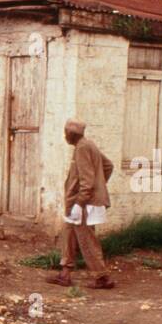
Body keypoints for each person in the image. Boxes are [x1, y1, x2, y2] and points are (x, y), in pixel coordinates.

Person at [46, 118, 114, 289]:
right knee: (69, 234)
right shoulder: (87, 145)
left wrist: (81, 201)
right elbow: (108, 166)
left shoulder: (82, 148)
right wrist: (99, 186)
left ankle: (102, 278)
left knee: (86, 239)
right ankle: (65, 273)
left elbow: (87, 180)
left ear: (71, 134)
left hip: (82, 203)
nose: (64, 136)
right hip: (79, 202)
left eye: (65, 132)